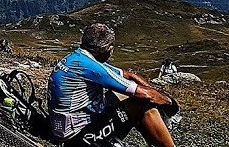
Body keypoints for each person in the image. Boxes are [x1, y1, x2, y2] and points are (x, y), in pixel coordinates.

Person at [47, 23, 179, 147]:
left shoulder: (80, 58)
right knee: (143, 104)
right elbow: (145, 95)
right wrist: (170, 104)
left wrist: (156, 95)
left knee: (130, 95)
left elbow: (128, 76)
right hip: (78, 136)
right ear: (107, 49)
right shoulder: (91, 67)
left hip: (66, 126)